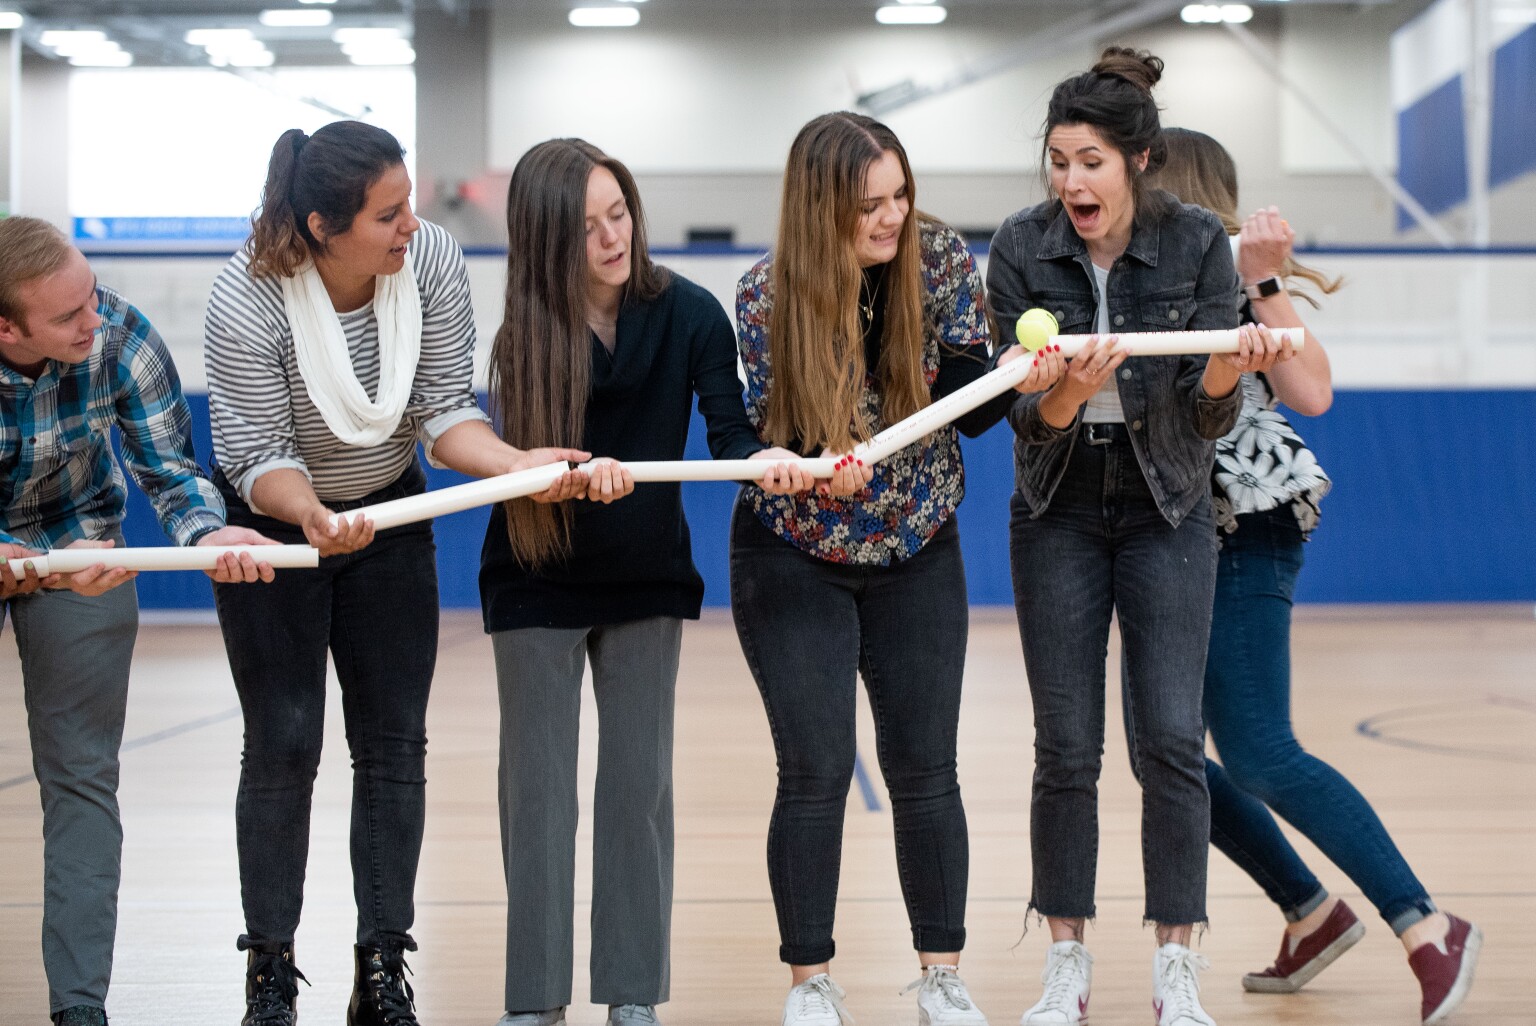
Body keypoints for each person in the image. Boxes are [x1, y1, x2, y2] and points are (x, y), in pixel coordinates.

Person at [203, 120, 586, 1026]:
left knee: (392, 750)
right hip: (275, 535)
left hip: (389, 517)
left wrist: (517, 461)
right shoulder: (245, 295)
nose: (412, 224)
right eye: (388, 214)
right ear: (321, 228)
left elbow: (445, 413)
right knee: (283, 748)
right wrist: (306, 517)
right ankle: (270, 970)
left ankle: (382, 966)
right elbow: (256, 453)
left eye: (409, 202)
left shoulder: (436, 263)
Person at [1130, 126, 1481, 1026]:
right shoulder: (1136, 270)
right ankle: (1313, 912)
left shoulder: (1225, 271)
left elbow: (1315, 391)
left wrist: (1264, 277)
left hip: (1243, 523)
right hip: (1167, 532)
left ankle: (1427, 925)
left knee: (1261, 752)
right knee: (1162, 752)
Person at [985, 48, 1284, 1026]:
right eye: (1059, 161)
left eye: (1091, 162)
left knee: (1167, 740)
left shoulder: (1200, 243)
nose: (1072, 181)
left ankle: (1175, 971)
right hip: (1059, 508)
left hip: (1169, 509)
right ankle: (1066, 970)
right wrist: (1067, 386)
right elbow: (1024, 425)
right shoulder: (1021, 248)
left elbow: (1203, 424)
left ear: (1139, 161)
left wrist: (1227, 370)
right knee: (1065, 749)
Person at [480, 138, 807, 1026]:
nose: (611, 236)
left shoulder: (693, 313)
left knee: (637, 790)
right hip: (535, 577)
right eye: (587, 226)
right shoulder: (523, 330)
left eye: (618, 212)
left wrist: (763, 460)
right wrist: (571, 473)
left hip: (645, 579)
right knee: (537, 795)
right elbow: (517, 454)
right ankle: (534, 1001)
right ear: (548, 238)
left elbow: (729, 434)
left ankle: (632, 996)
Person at [731, 111, 1044, 1026]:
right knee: (816, 769)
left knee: (925, 768)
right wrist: (811, 454)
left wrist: (1010, 380)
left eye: (901, 196)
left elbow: (964, 408)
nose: (891, 217)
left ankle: (942, 977)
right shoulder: (763, 296)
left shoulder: (940, 261)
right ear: (821, 205)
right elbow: (766, 433)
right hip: (795, 555)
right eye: (869, 204)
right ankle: (811, 984)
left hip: (916, 548)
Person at [0, 216, 278, 1026]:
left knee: (83, 779)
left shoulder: (120, 333)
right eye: (67, 317)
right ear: (7, 326)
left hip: (81, 553)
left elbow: (170, 469)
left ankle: (78, 1010)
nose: (94, 320)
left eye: (91, 296)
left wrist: (210, 531)